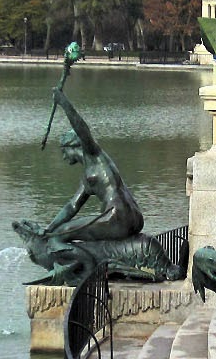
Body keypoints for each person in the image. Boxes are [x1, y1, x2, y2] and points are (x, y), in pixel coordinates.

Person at [40, 86, 144, 244]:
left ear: (72, 146)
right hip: (134, 217)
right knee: (60, 231)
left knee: (63, 232)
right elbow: (72, 207)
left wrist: (63, 102)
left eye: (63, 151)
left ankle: (64, 259)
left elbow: (81, 129)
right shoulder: (88, 176)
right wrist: (48, 229)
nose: (64, 157)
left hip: (118, 218)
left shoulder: (93, 155)